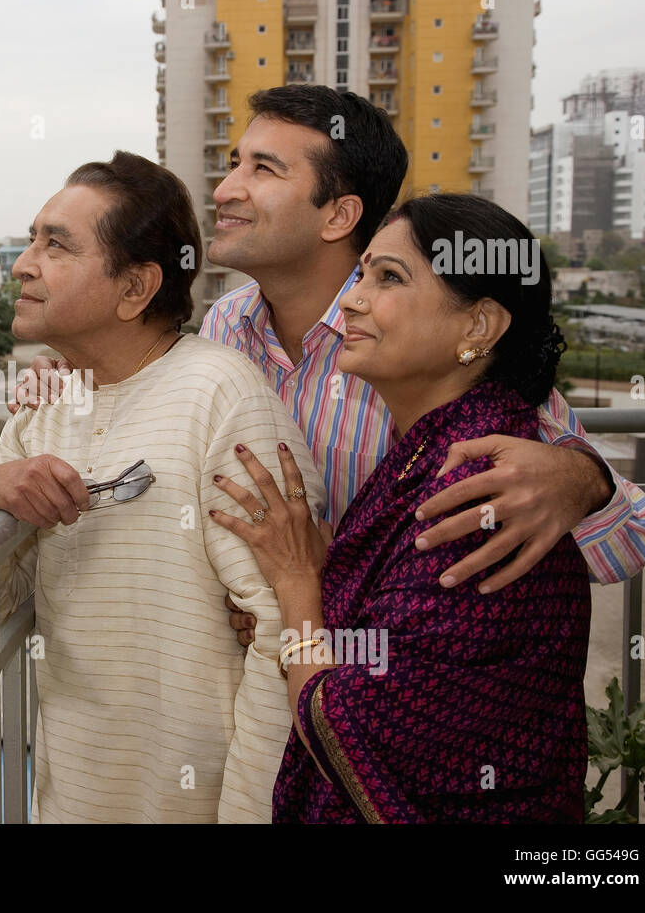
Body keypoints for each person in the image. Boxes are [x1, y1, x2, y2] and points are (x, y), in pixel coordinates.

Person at [16, 85, 645, 609]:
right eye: (235, 162)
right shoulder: (225, 326)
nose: (224, 189)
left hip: (386, 714)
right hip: (268, 701)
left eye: (263, 169)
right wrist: (71, 377)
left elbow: (632, 537)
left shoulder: (416, 338)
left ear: (339, 216)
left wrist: (582, 478)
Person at [0, 151, 328, 822]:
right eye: (31, 238)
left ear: (136, 288)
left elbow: (279, 636)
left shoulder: (222, 397)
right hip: (71, 799)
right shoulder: (46, 408)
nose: (23, 264)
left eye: (56, 245)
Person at [209, 193, 592, 822]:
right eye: (361, 274)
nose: (353, 300)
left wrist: (299, 582)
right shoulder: (432, 451)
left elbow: (344, 720)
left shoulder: (477, 496)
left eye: (389, 278)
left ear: (478, 327)